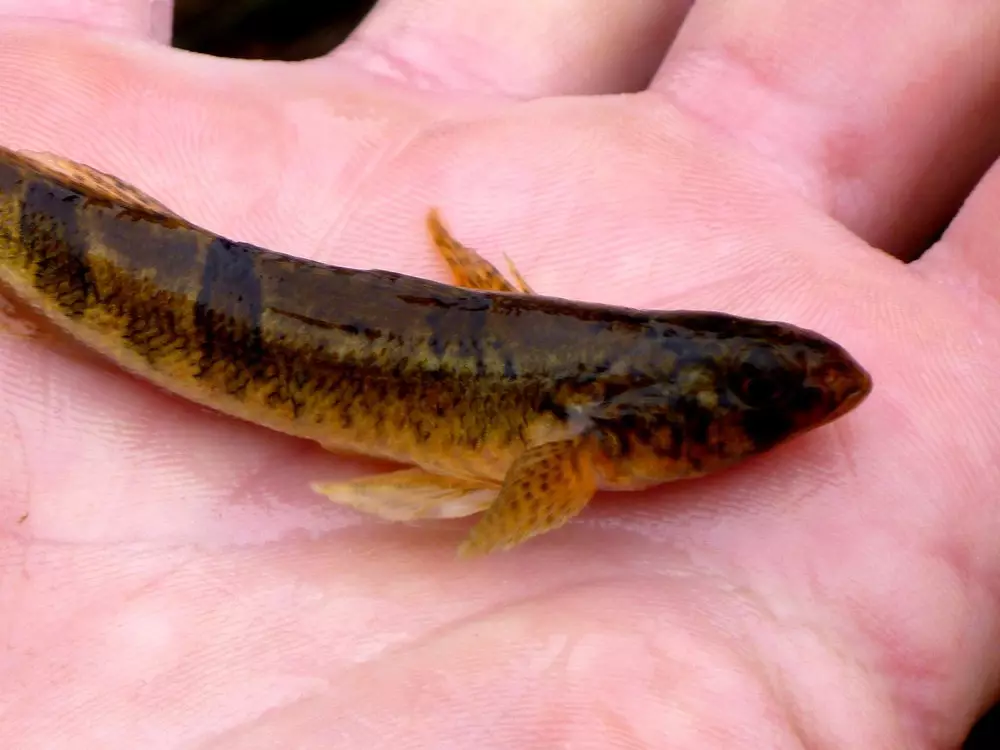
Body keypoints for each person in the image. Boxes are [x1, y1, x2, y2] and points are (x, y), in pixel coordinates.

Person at [2, 2, 998, 747]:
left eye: (757, 412)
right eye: (753, 413)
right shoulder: (571, 437)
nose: (803, 412)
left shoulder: (579, 415)